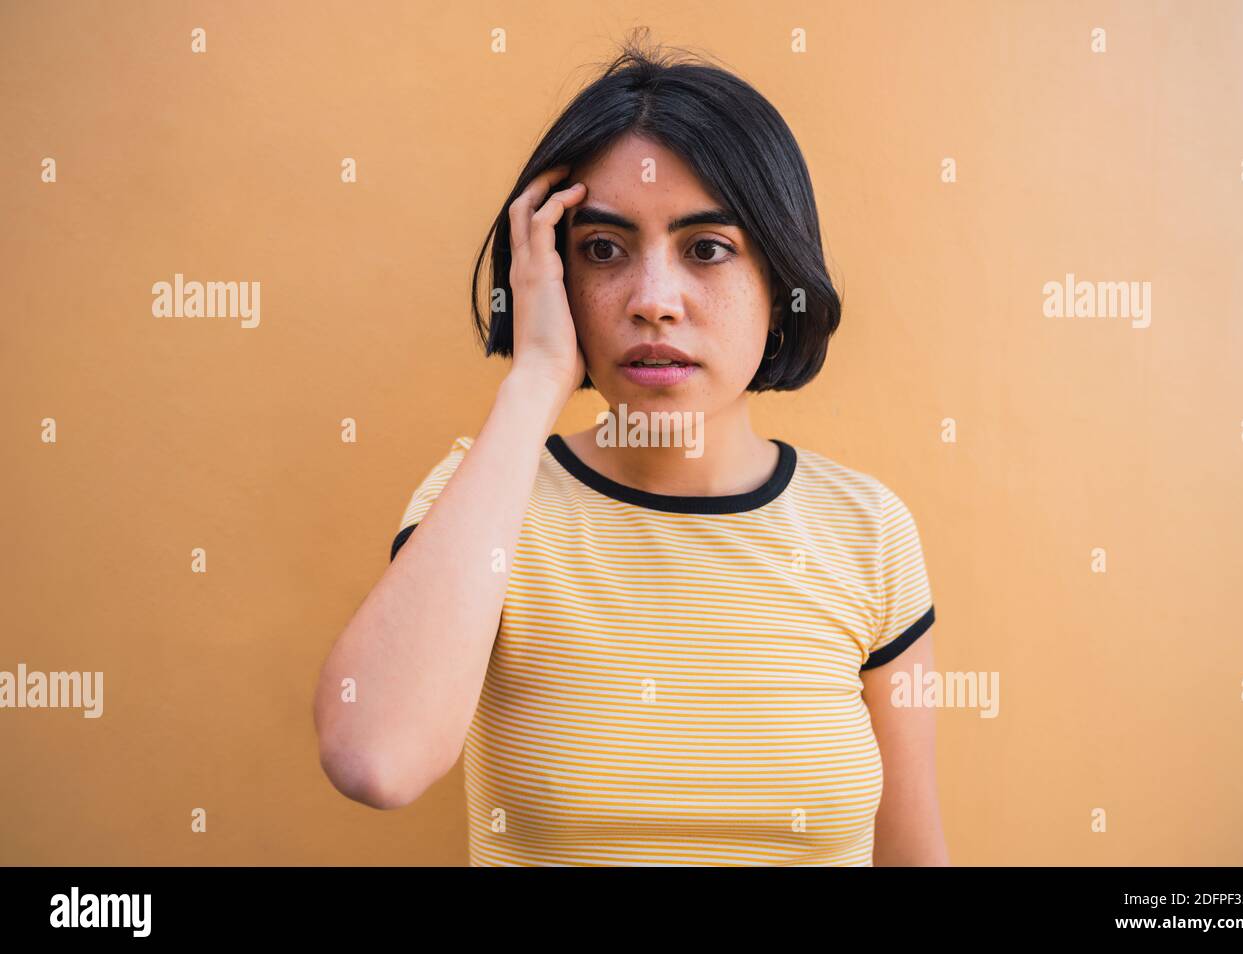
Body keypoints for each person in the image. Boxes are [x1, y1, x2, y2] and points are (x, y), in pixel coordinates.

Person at [314, 33, 946, 866]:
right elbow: (376, 757)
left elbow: (913, 850)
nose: (653, 301)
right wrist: (536, 377)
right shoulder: (487, 500)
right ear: (556, 279)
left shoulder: (868, 530)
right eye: (603, 251)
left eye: (706, 249)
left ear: (779, 277)